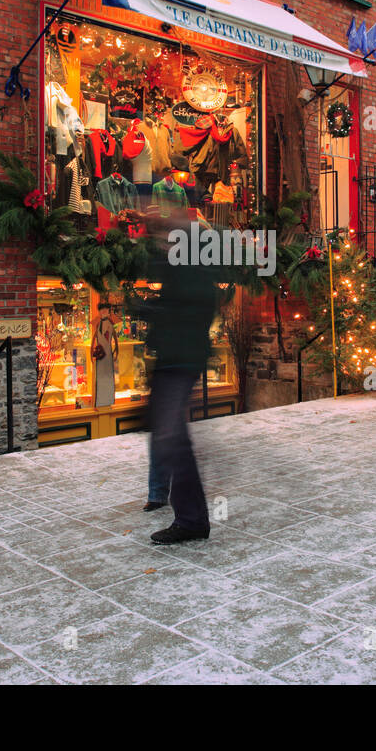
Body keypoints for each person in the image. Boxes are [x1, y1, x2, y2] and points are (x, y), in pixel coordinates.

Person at [135, 213, 220, 544]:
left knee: (171, 438)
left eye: (168, 238)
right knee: (167, 436)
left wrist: (150, 311)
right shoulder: (184, 268)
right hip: (174, 359)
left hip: (181, 360)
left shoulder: (191, 272)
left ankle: (191, 519)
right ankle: (185, 513)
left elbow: (187, 312)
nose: (164, 243)